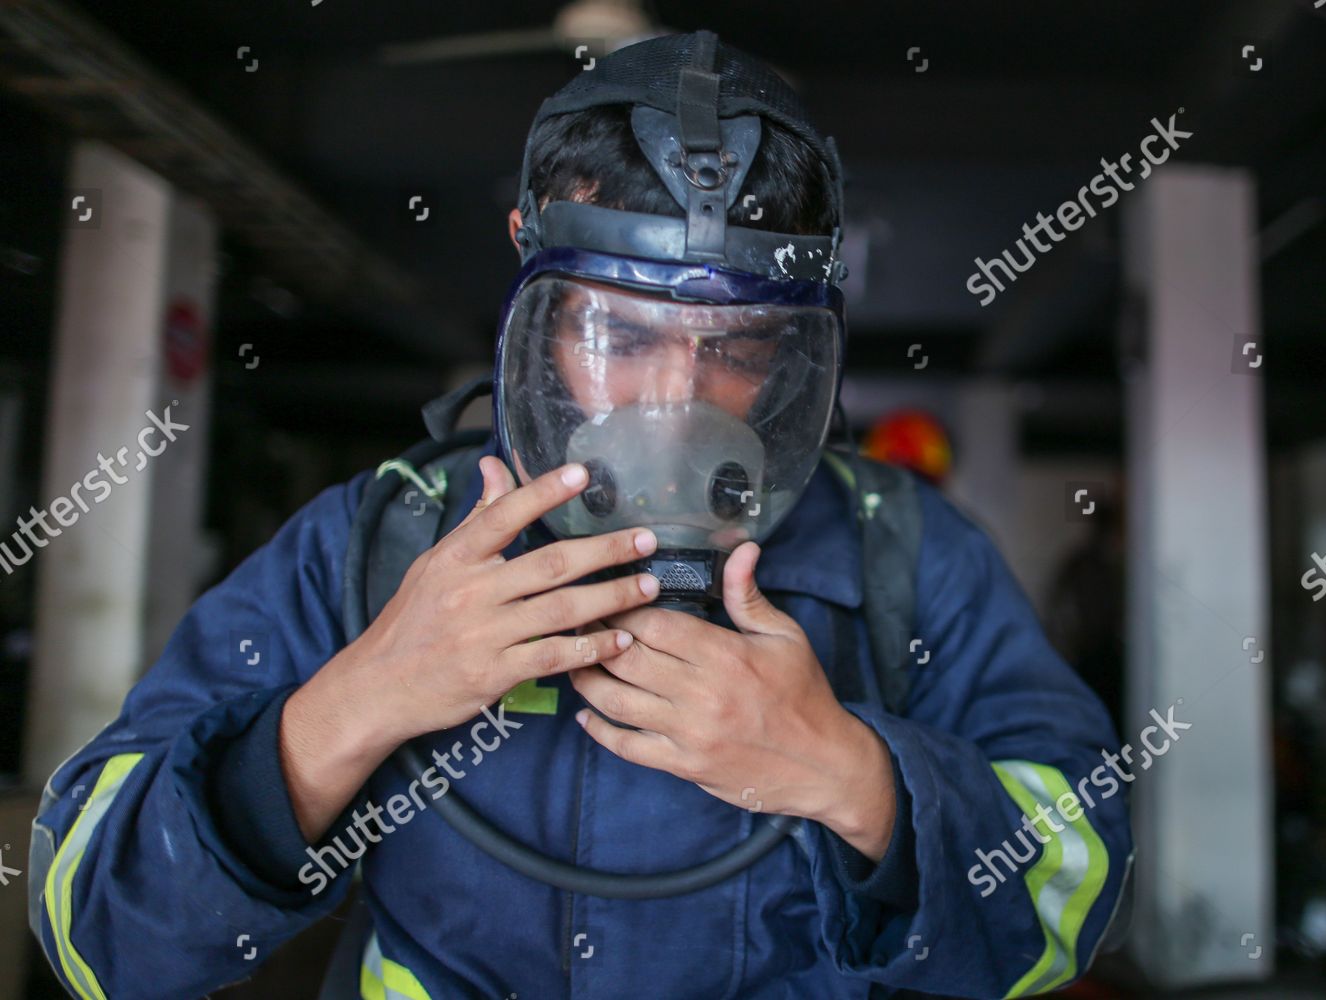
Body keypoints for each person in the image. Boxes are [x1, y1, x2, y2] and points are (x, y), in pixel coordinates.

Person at [29, 32, 1132, 999]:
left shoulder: (905, 553)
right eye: (622, 337)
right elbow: (96, 937)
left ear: (803, 348)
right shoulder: (383, 543)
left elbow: (1078, 894)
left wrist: (855, 778)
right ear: (533, 285)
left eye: (739, 350)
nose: (676, 404)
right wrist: (362, 696)